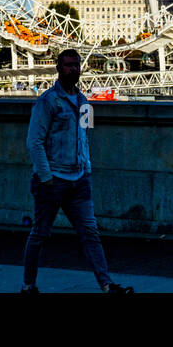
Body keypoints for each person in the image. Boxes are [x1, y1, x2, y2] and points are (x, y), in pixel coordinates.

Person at [21, 49, 132, 293]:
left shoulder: (84, 101)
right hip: (52, 181)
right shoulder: (47, 101)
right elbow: (34, 142)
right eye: (69, 65)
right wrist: (47, 177)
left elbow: (84, 137)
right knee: (39, 234)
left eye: (77, 65)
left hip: (79, 179)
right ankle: (28, 285)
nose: (74, 69)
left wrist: (87, 169)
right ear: (58, 68)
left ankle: (106, 284)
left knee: (91, 233)